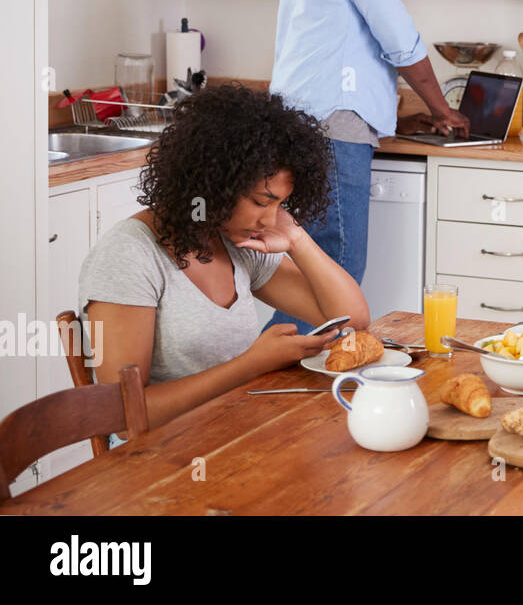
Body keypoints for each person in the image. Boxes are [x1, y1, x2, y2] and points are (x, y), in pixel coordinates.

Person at [79, 85, 371, 435]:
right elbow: (123, 418)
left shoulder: (234, 240)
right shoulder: (129, 255)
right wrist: (251, 364)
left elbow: (353, 319)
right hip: (157, 467)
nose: (269, 219)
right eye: (262, 202)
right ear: (215, 183)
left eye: (280, 204)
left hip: (231, 437)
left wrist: (296, 238)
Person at [268, 0, 469, 333]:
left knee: (309, 268)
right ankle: (262, 382)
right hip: (333, 127)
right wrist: (442, 108)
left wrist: (397, 119)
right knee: (335, 268)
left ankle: (273, 381)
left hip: (304, 118)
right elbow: (395, 34)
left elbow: (337, 42)